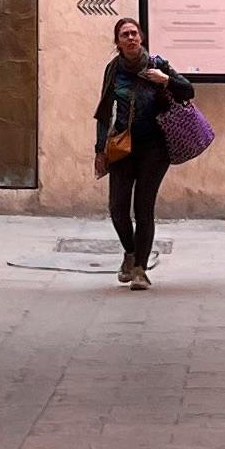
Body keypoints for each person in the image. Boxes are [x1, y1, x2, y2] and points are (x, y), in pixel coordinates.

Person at [94, 14, 194, 287]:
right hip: (122, 147)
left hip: (154, 148)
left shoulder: (157, 65)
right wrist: (99, 150)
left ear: (142, 37)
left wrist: (165, 80)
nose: (130, 38)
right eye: (124, 34)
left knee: (143, 208)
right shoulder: (113, 70)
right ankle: (129, 251)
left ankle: (139, 269)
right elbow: (104, 113)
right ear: (117, 42)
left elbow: (188, 91)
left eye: (134, 33)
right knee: (117, 208)